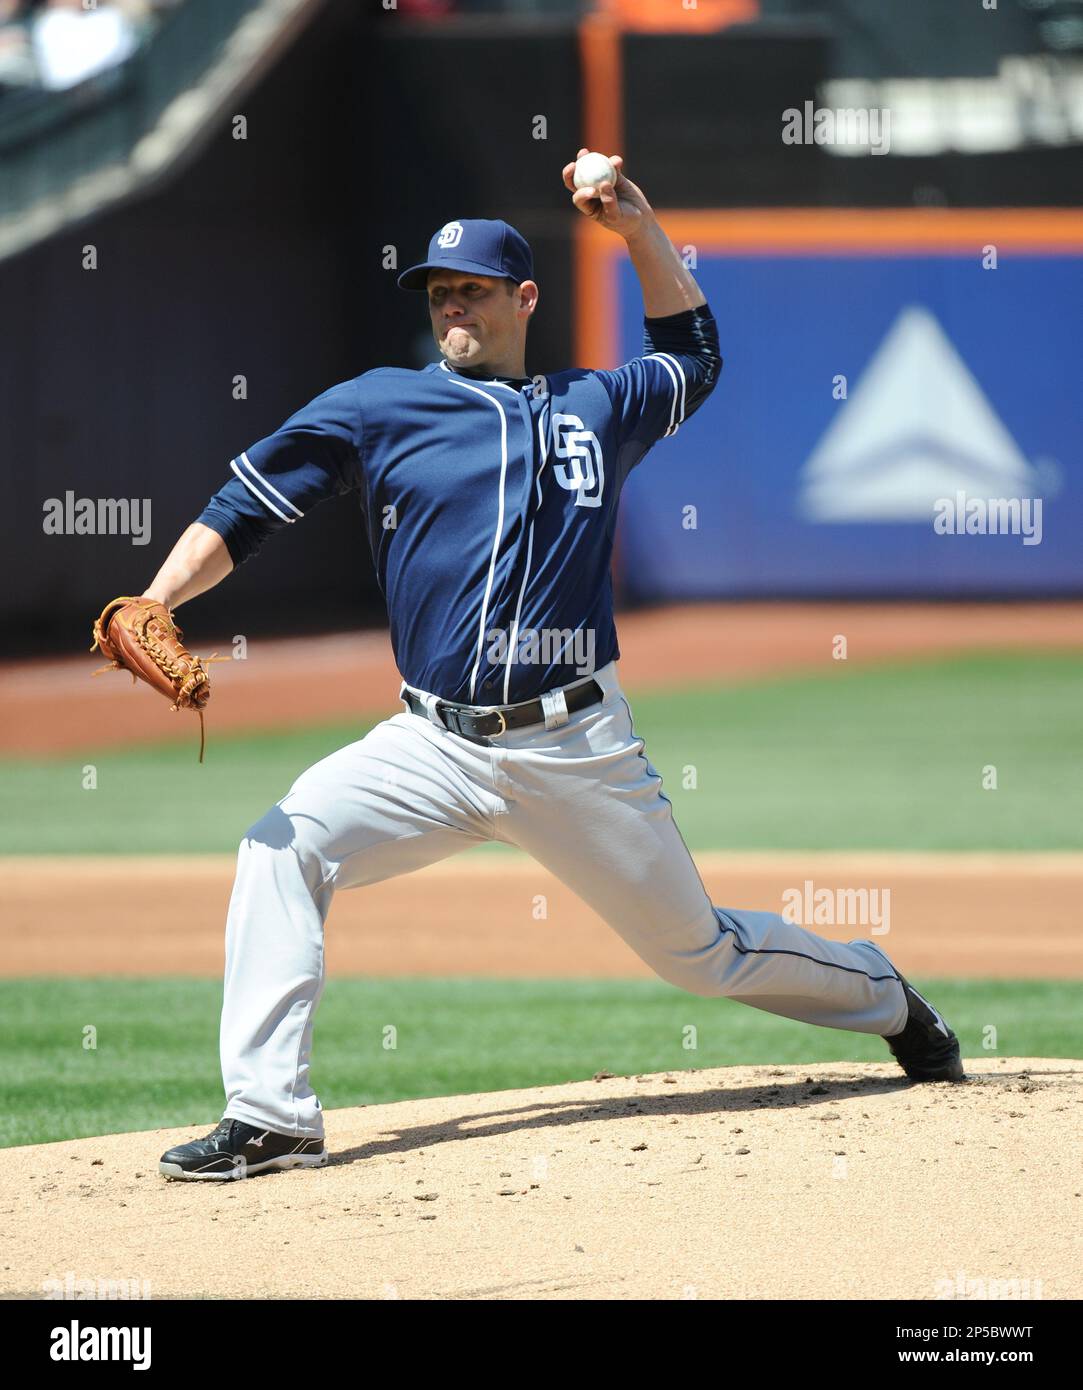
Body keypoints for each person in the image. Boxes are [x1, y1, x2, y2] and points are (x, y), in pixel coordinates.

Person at [147, 151, 964, 1181]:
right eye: (440, 292)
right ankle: (272, 1114)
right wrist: (158, 597)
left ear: (524, 298)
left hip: (576, 746)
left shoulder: (597, 404)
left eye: (474, 292)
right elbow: (249, 507)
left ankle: (887, 997)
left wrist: (635, 224)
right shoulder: (381, 406)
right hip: (430, 744)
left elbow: (697, 354)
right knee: (279, 848)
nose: (453, 308)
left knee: (700, 955)